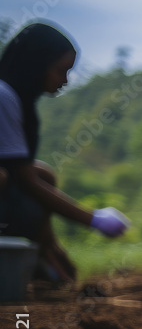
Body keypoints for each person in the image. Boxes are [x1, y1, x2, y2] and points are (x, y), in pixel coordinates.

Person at [0, 22, 129, 283]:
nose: (65, 81)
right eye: (61, 70)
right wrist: (93, 219)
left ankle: (45, 260)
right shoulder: (3, 97)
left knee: (43, 174)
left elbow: (29, 175)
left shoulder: (17, 99)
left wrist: (53, 247)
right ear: (37, 64)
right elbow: (24, 180)